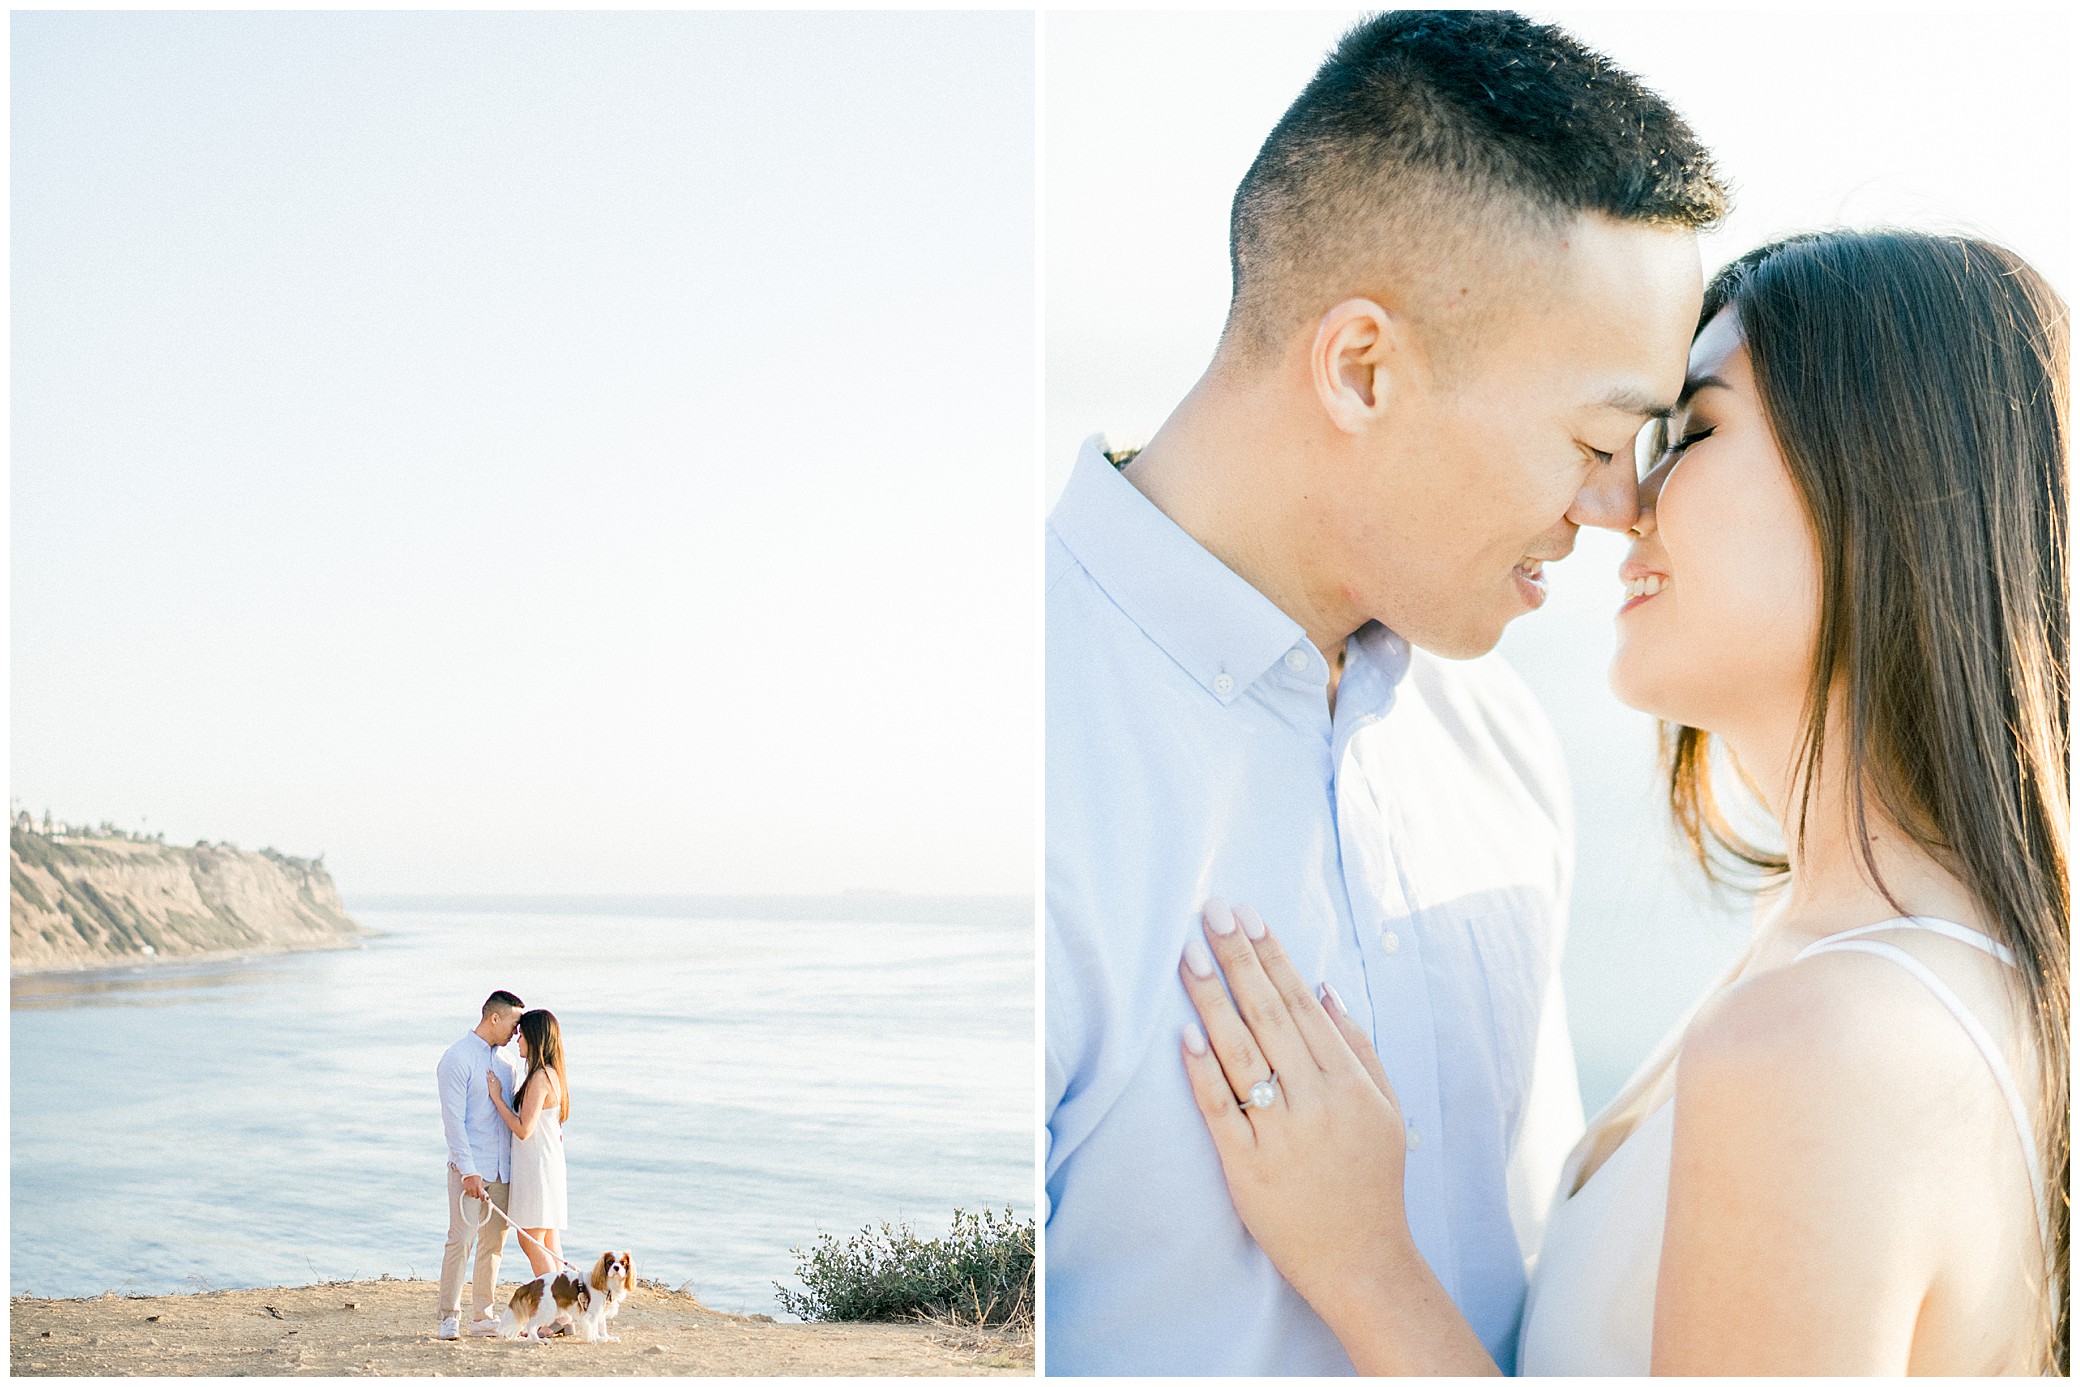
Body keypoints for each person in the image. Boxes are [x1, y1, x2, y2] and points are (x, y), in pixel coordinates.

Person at [1178, 229, 2069, 1374]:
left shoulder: (1824, 1040)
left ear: (1880, 481)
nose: (1624, 501)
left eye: (1693, 432)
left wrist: (1365, 1265)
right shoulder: (1861, 959)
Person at [1044, 10, 1727, 1374]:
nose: (1619, 508)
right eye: (1597, 439)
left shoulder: (1499, 735)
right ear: (1364, 368)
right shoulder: (1032, 749)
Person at [435, 988, 524, 1340]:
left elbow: (509, 1116)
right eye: (515, 1024)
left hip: (502, 1169)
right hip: (469, 1169)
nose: (517, 1033)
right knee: (461, 1241)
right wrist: (469, 1171)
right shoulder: (456, 1058)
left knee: (494, 1246)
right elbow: (453, 1121)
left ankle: (483, 1316)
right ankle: (448, 1316)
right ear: (495, 1018)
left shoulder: (507, 1064)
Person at [489, 1008, 571, 1279]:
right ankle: (562, 1311)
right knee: (548, 1241)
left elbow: (524, 1129)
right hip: (546, 1164)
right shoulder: (551, 1074)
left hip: (537, 1168)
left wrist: (497, 1098)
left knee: (531, 1240)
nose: (517, 1040)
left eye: (522, 1035)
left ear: (535, 1039)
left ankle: (556, 1312)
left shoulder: (539, 1078)